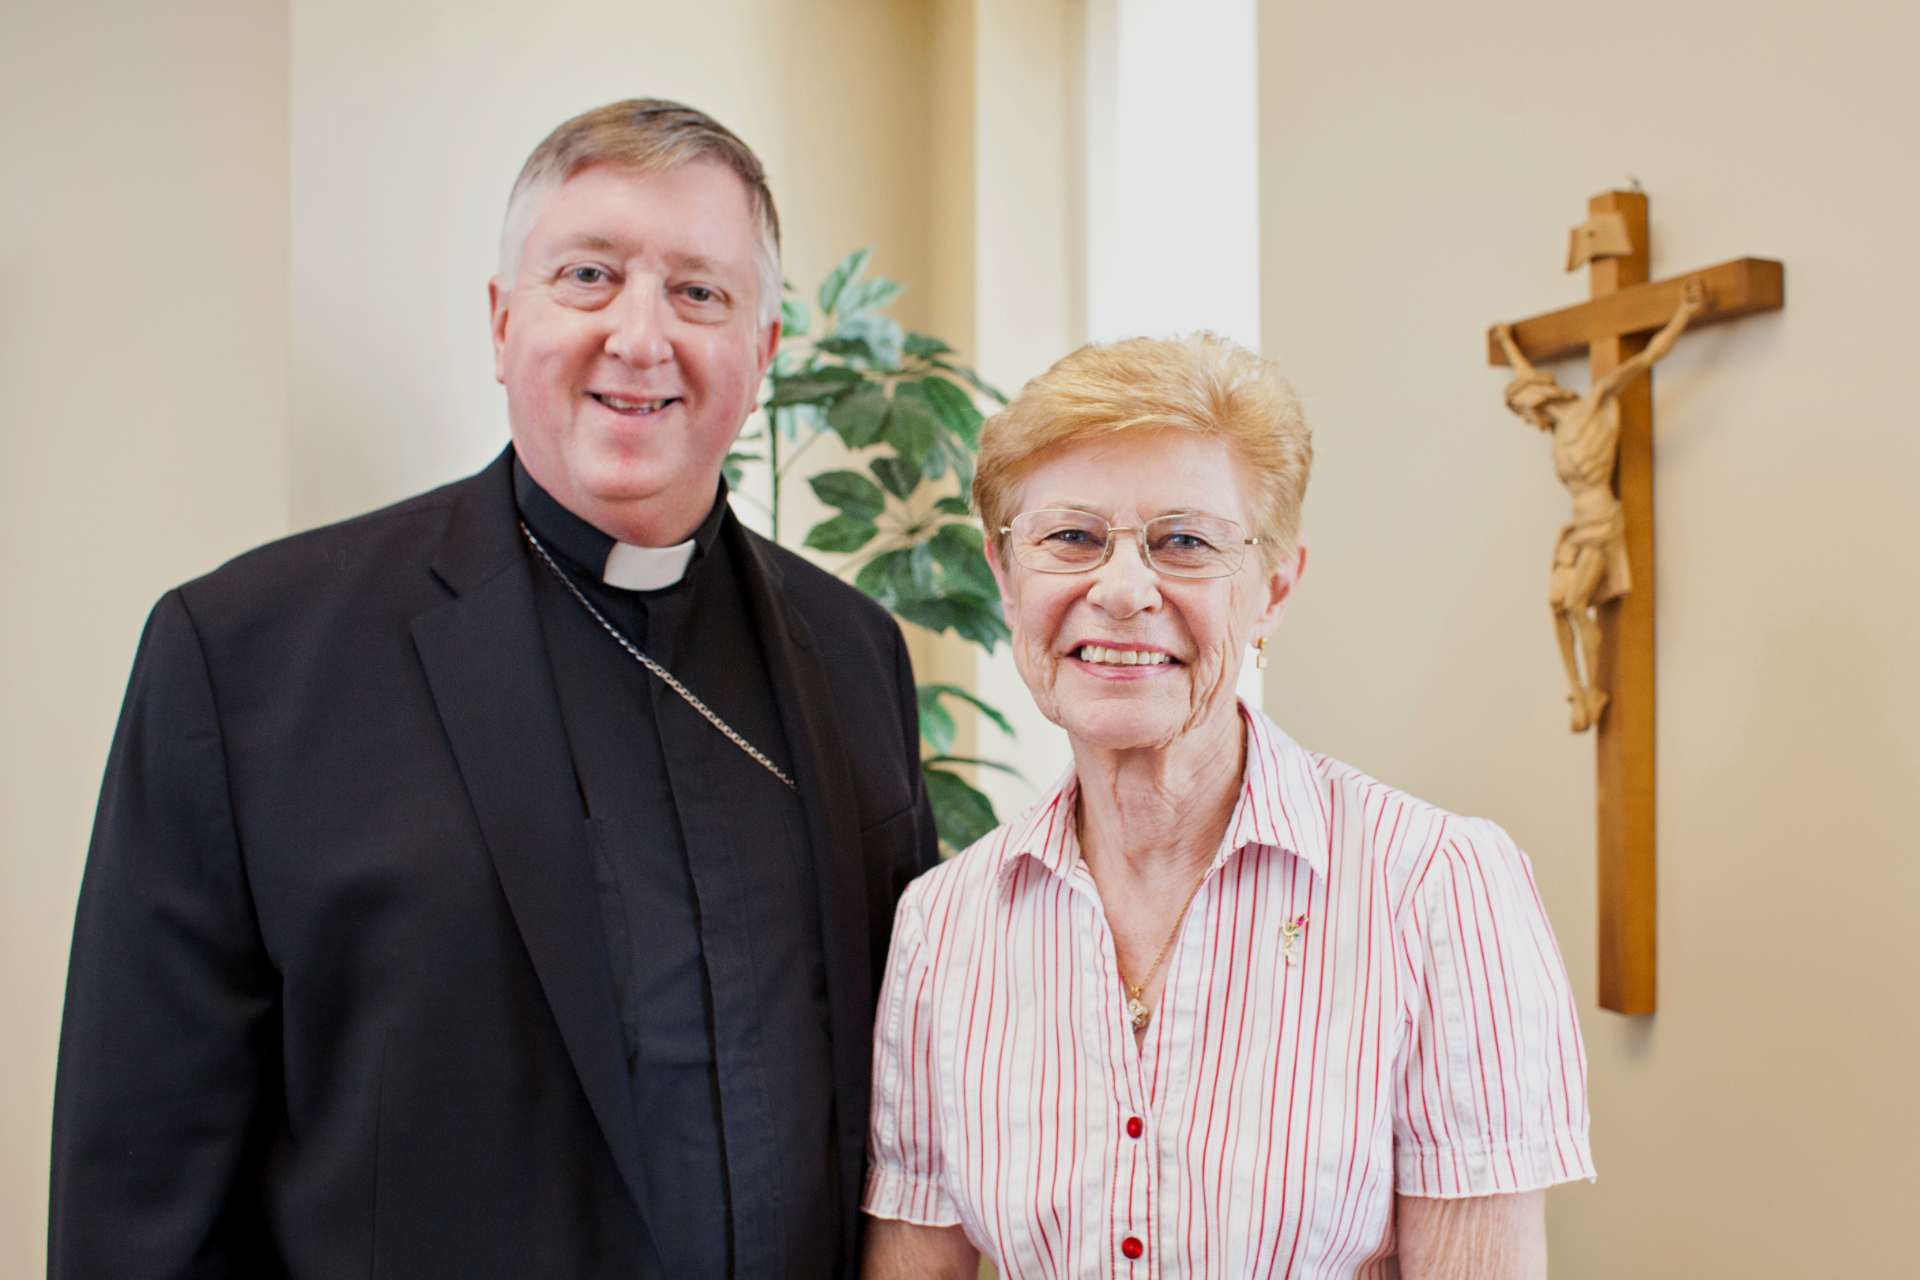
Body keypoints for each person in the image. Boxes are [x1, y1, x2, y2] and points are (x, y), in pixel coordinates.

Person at [50, 99, 936, 1278]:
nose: (640, 336)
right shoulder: (246, 654)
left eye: (699, 292)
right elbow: (139, 1186)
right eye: (589, 276)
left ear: (762, 349)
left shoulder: (855, 651)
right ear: (503, 321)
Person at [861, 334, 1594, 1278]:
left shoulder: (1439, 888)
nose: (1122, 591)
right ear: (1006, 577)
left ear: (1273, 590)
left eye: (1186, 542)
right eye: (1071, 538)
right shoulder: (943, 924)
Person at [1495, 280, 1704, 732]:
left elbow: (1646, 359)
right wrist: (1509, 342)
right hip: (1577, 525)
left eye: (1525, 413)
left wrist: (1683, 315)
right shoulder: (1557, 430)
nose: (1528, 422)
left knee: (1575, 603)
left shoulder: (1595, 405)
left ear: (1537, 402)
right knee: (1556, 603)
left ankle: (1593, 691)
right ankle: (1578, 688)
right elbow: (1525, 374)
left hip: (1603, 519)